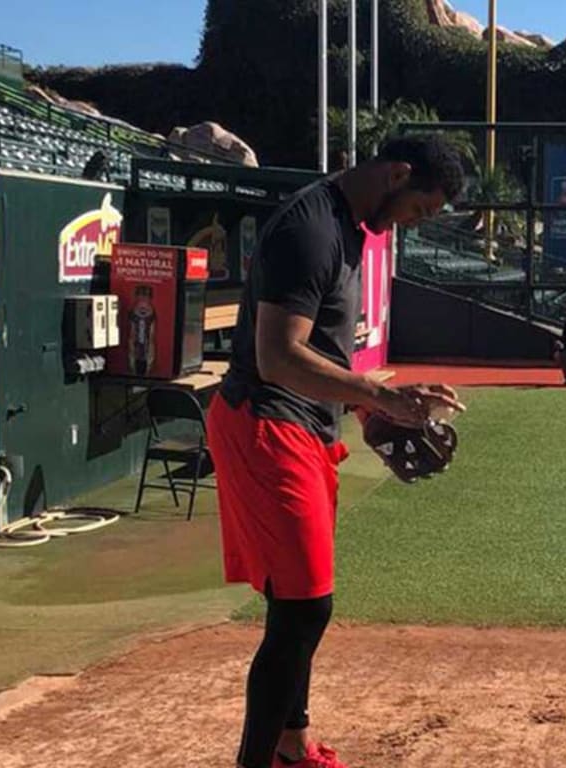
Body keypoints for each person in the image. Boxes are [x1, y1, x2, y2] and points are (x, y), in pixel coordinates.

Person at [206, 134, 467, 768]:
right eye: (420, 210)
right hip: (266, 425)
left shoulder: (349, 227)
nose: (414, 223)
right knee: (304, 607)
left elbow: (324, 350)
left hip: (304, 428)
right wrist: (382, 399)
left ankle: (291, 745)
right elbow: (278, 357)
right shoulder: (312, 229)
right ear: (398, 174)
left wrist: (364, 410)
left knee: (295, 604)